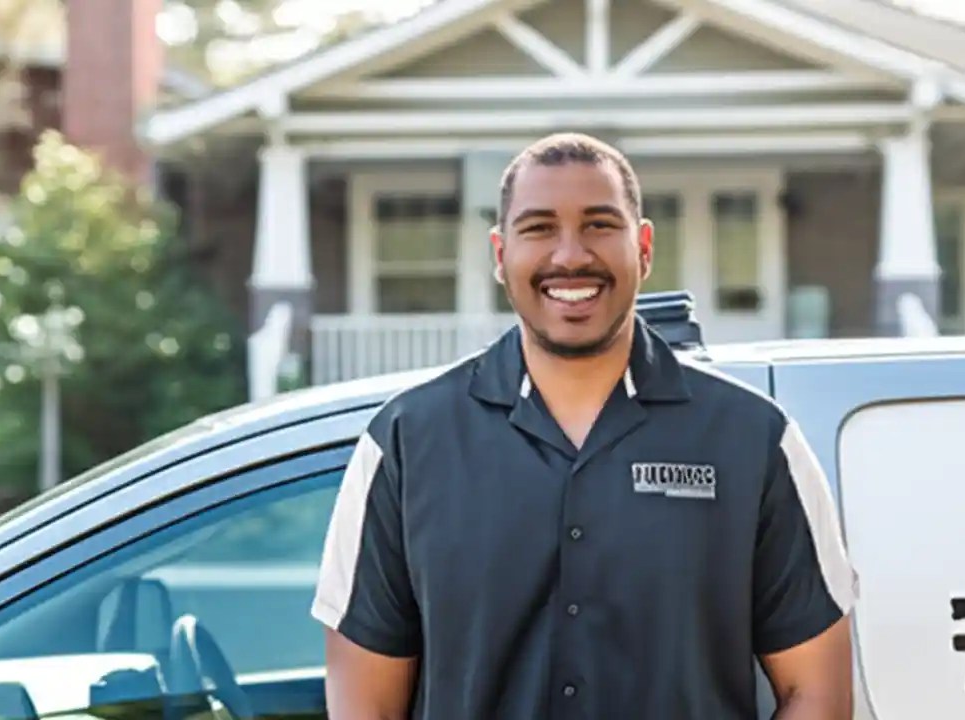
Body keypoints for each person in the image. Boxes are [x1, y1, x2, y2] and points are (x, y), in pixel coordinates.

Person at [311, 132, 857, 719]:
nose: (570, 255)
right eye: (539, 227)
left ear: (643, 247)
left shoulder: (753, 440)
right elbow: (365, 706)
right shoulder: (406, 442)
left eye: (599, 224)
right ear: (500, 254)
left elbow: (816, 695)